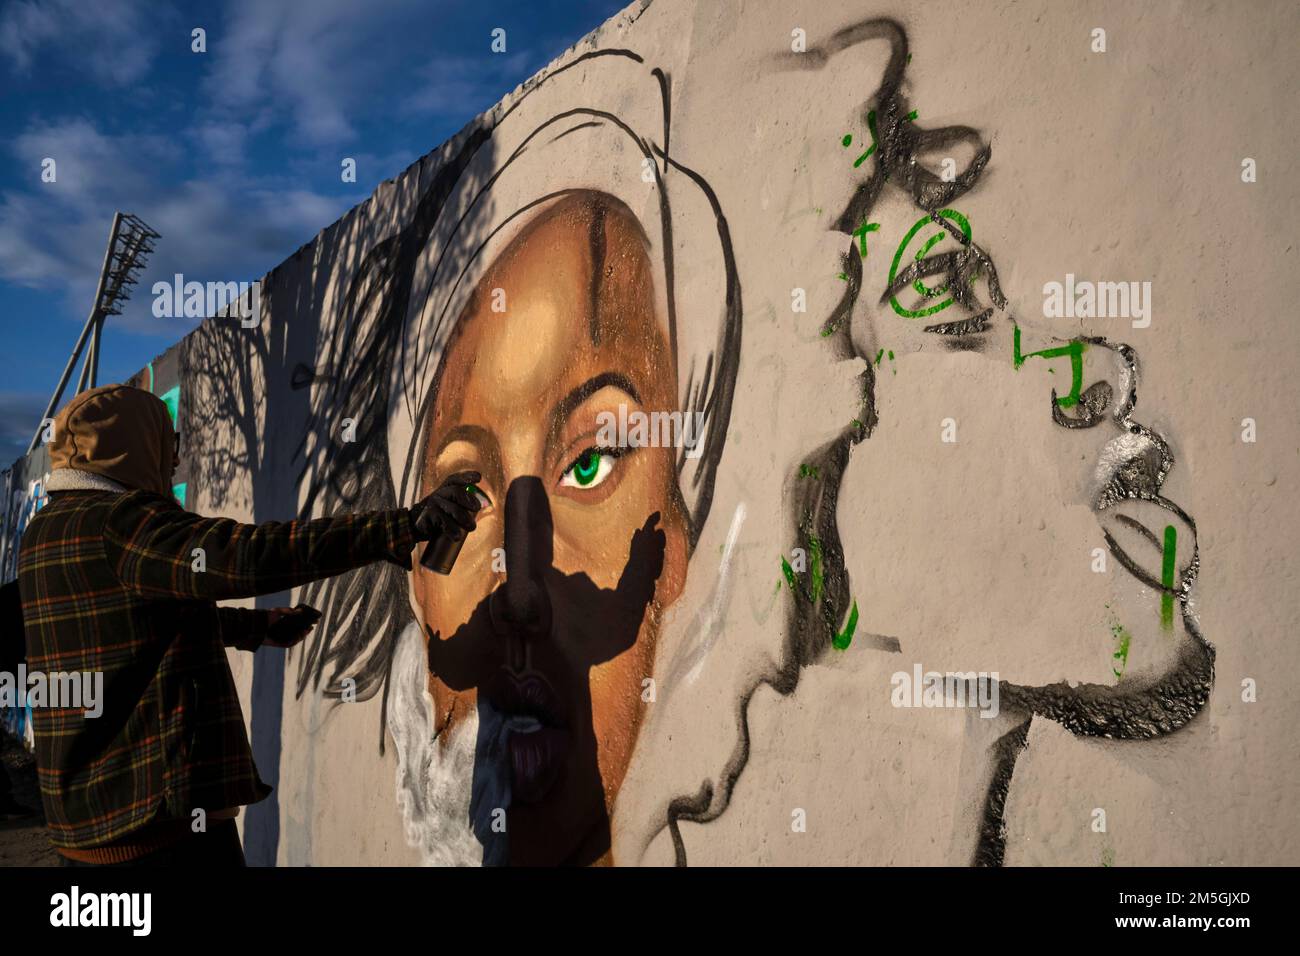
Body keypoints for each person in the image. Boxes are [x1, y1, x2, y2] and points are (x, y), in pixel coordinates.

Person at [16, 383, 480, 865]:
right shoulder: (121, 521)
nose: (173, 462)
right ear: (130, 446)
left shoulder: (46, 532)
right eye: (165, 444)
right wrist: (399, 527)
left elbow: (127, 630)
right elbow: (243, 555)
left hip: (88, 826)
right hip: (160, 832)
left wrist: (254, 627)